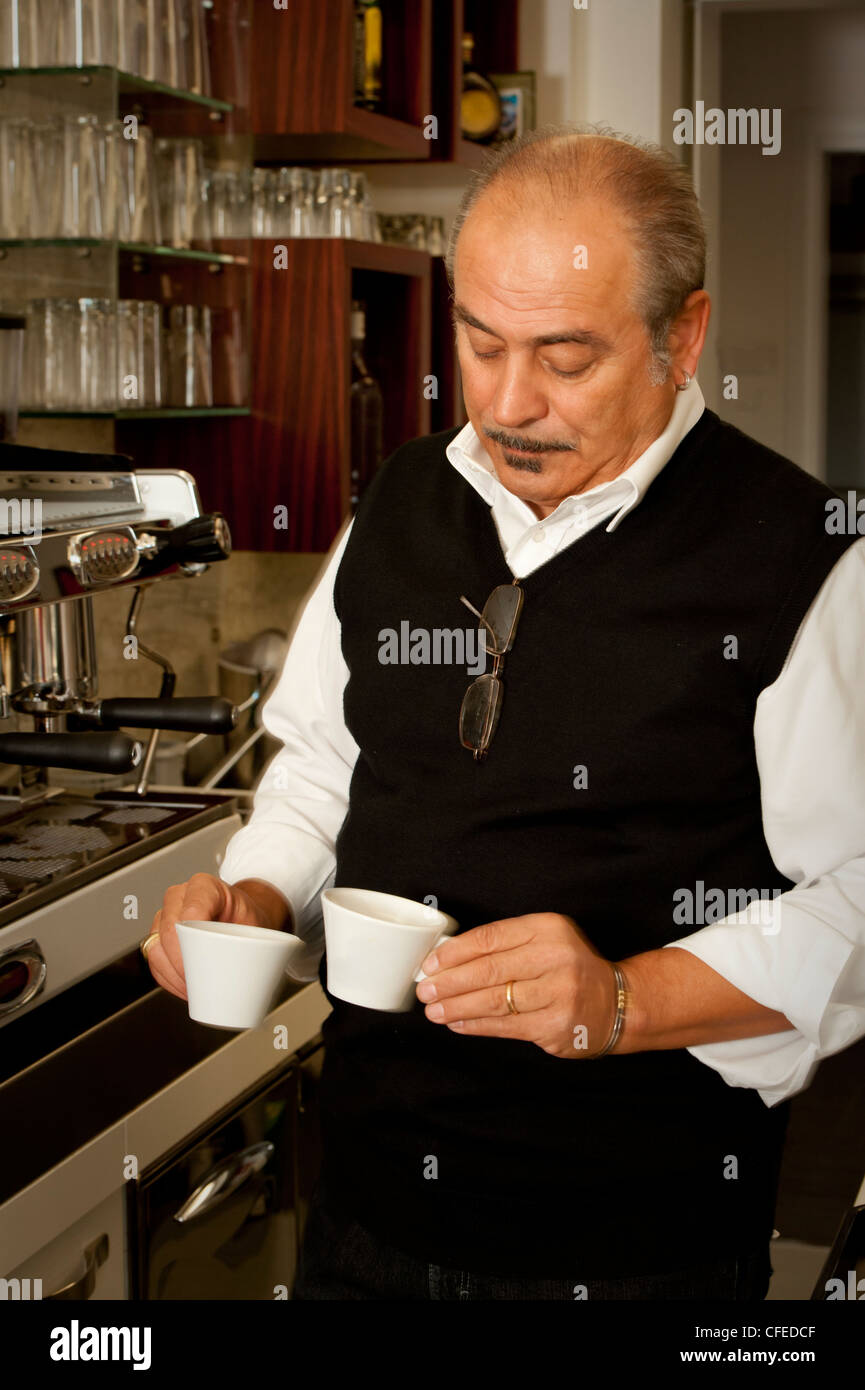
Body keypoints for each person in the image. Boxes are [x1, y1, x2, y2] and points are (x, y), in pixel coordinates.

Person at [142, 123, 865, 1301]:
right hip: (368, 1201)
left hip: (636, 1240)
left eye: (566, 358)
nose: (510, 400)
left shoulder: (801, 555)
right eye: (480, 345)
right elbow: (327, 762)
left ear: (683, 337)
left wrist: (624, 1000)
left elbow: (858, 896)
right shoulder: (402, 502)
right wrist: (257, 890)